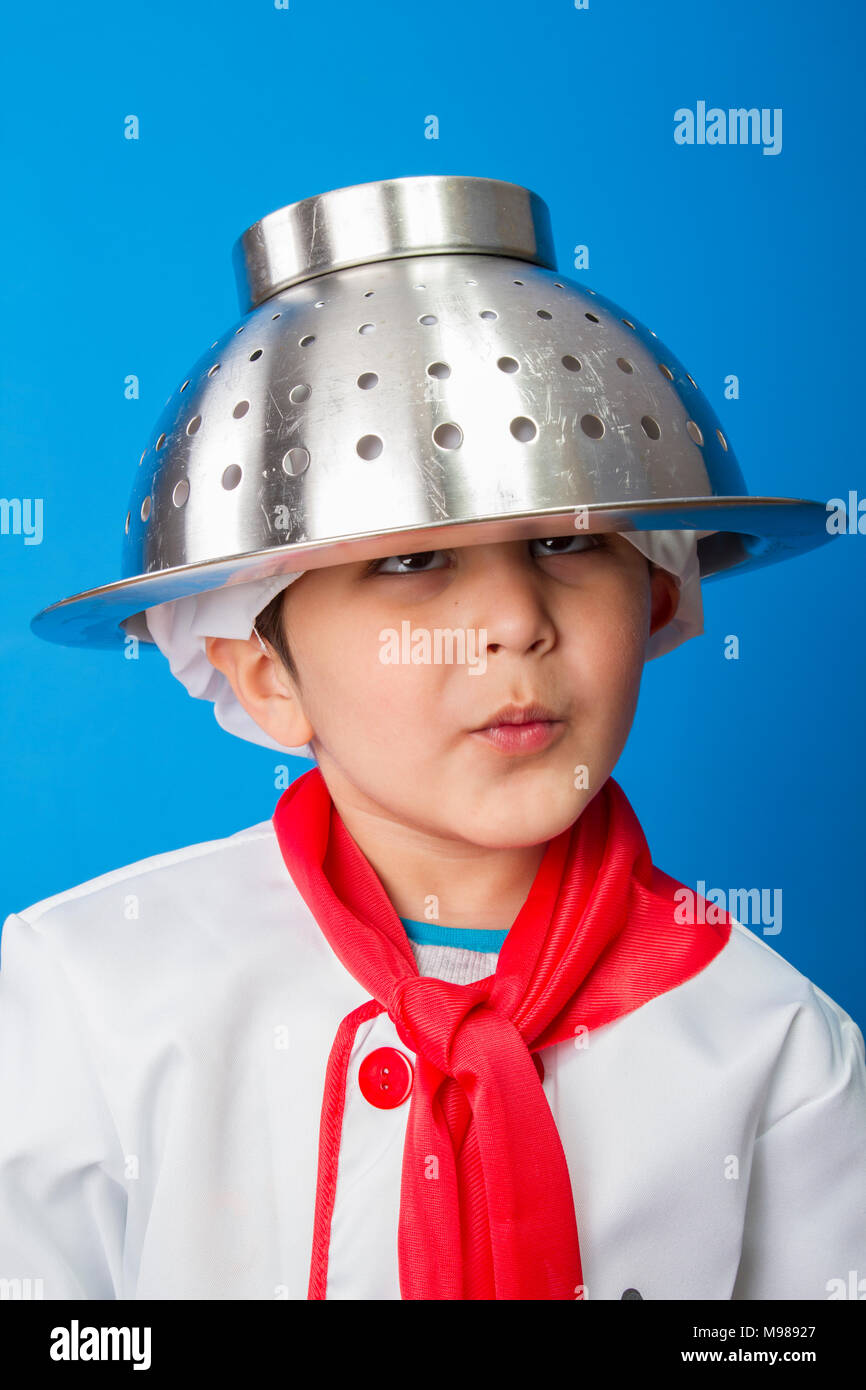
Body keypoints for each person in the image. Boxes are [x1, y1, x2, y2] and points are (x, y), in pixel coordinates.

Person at [3, 174, 864, 1301]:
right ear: (265, 678)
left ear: (658, 599)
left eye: (566, 542)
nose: (514, 621)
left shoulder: (772, 1045)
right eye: (410, 562)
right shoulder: (73, 997)